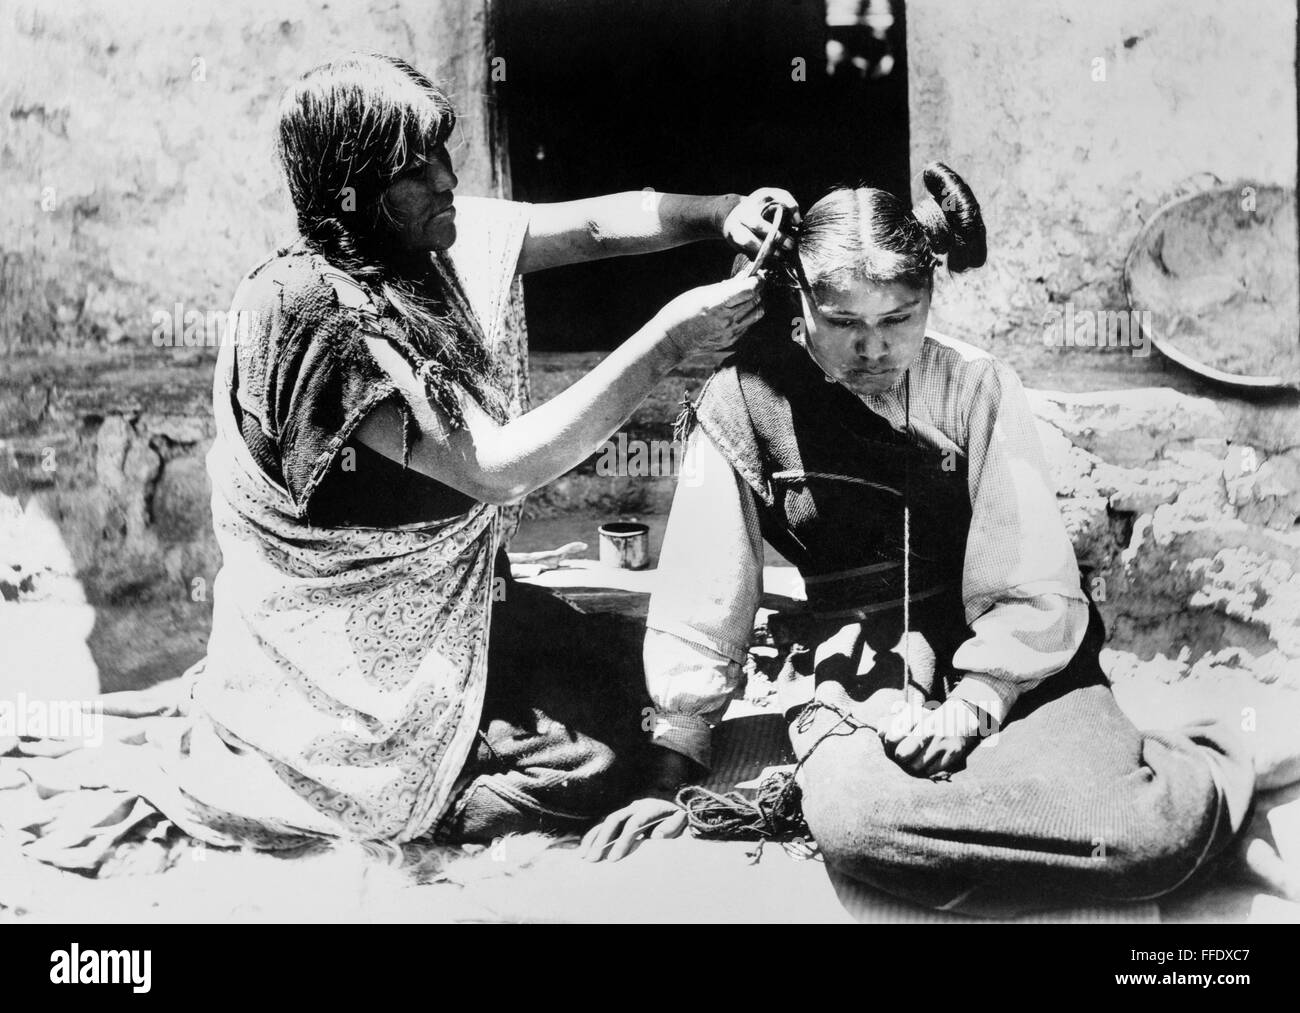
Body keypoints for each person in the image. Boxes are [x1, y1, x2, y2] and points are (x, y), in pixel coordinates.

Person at [581, 163, 1257, 918]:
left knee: (1139, 836)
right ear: (799, 302)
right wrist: (672, 765)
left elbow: (1030, 575)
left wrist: (977, 702)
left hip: (1013, 653)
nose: (874, 349)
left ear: (930, 296)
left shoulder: (974, 385)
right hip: (858, 658)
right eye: (845, 323)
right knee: (861, 824)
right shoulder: (745, 401)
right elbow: (704, 597)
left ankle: (1203, 765)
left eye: (900, 318)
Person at [164, 51, 801, 849]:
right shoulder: (316, 321)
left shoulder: (421, 248)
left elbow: (597, 225)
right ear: (348, 191)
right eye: (411, 167)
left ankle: (491, 731)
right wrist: (670, 340)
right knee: (595, 767)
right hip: (357, 661)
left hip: (457, 605)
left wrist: (723, 211)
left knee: (626, 669)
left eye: (440, 150)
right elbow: (498, 468)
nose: (442, 178)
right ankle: (427, 795)